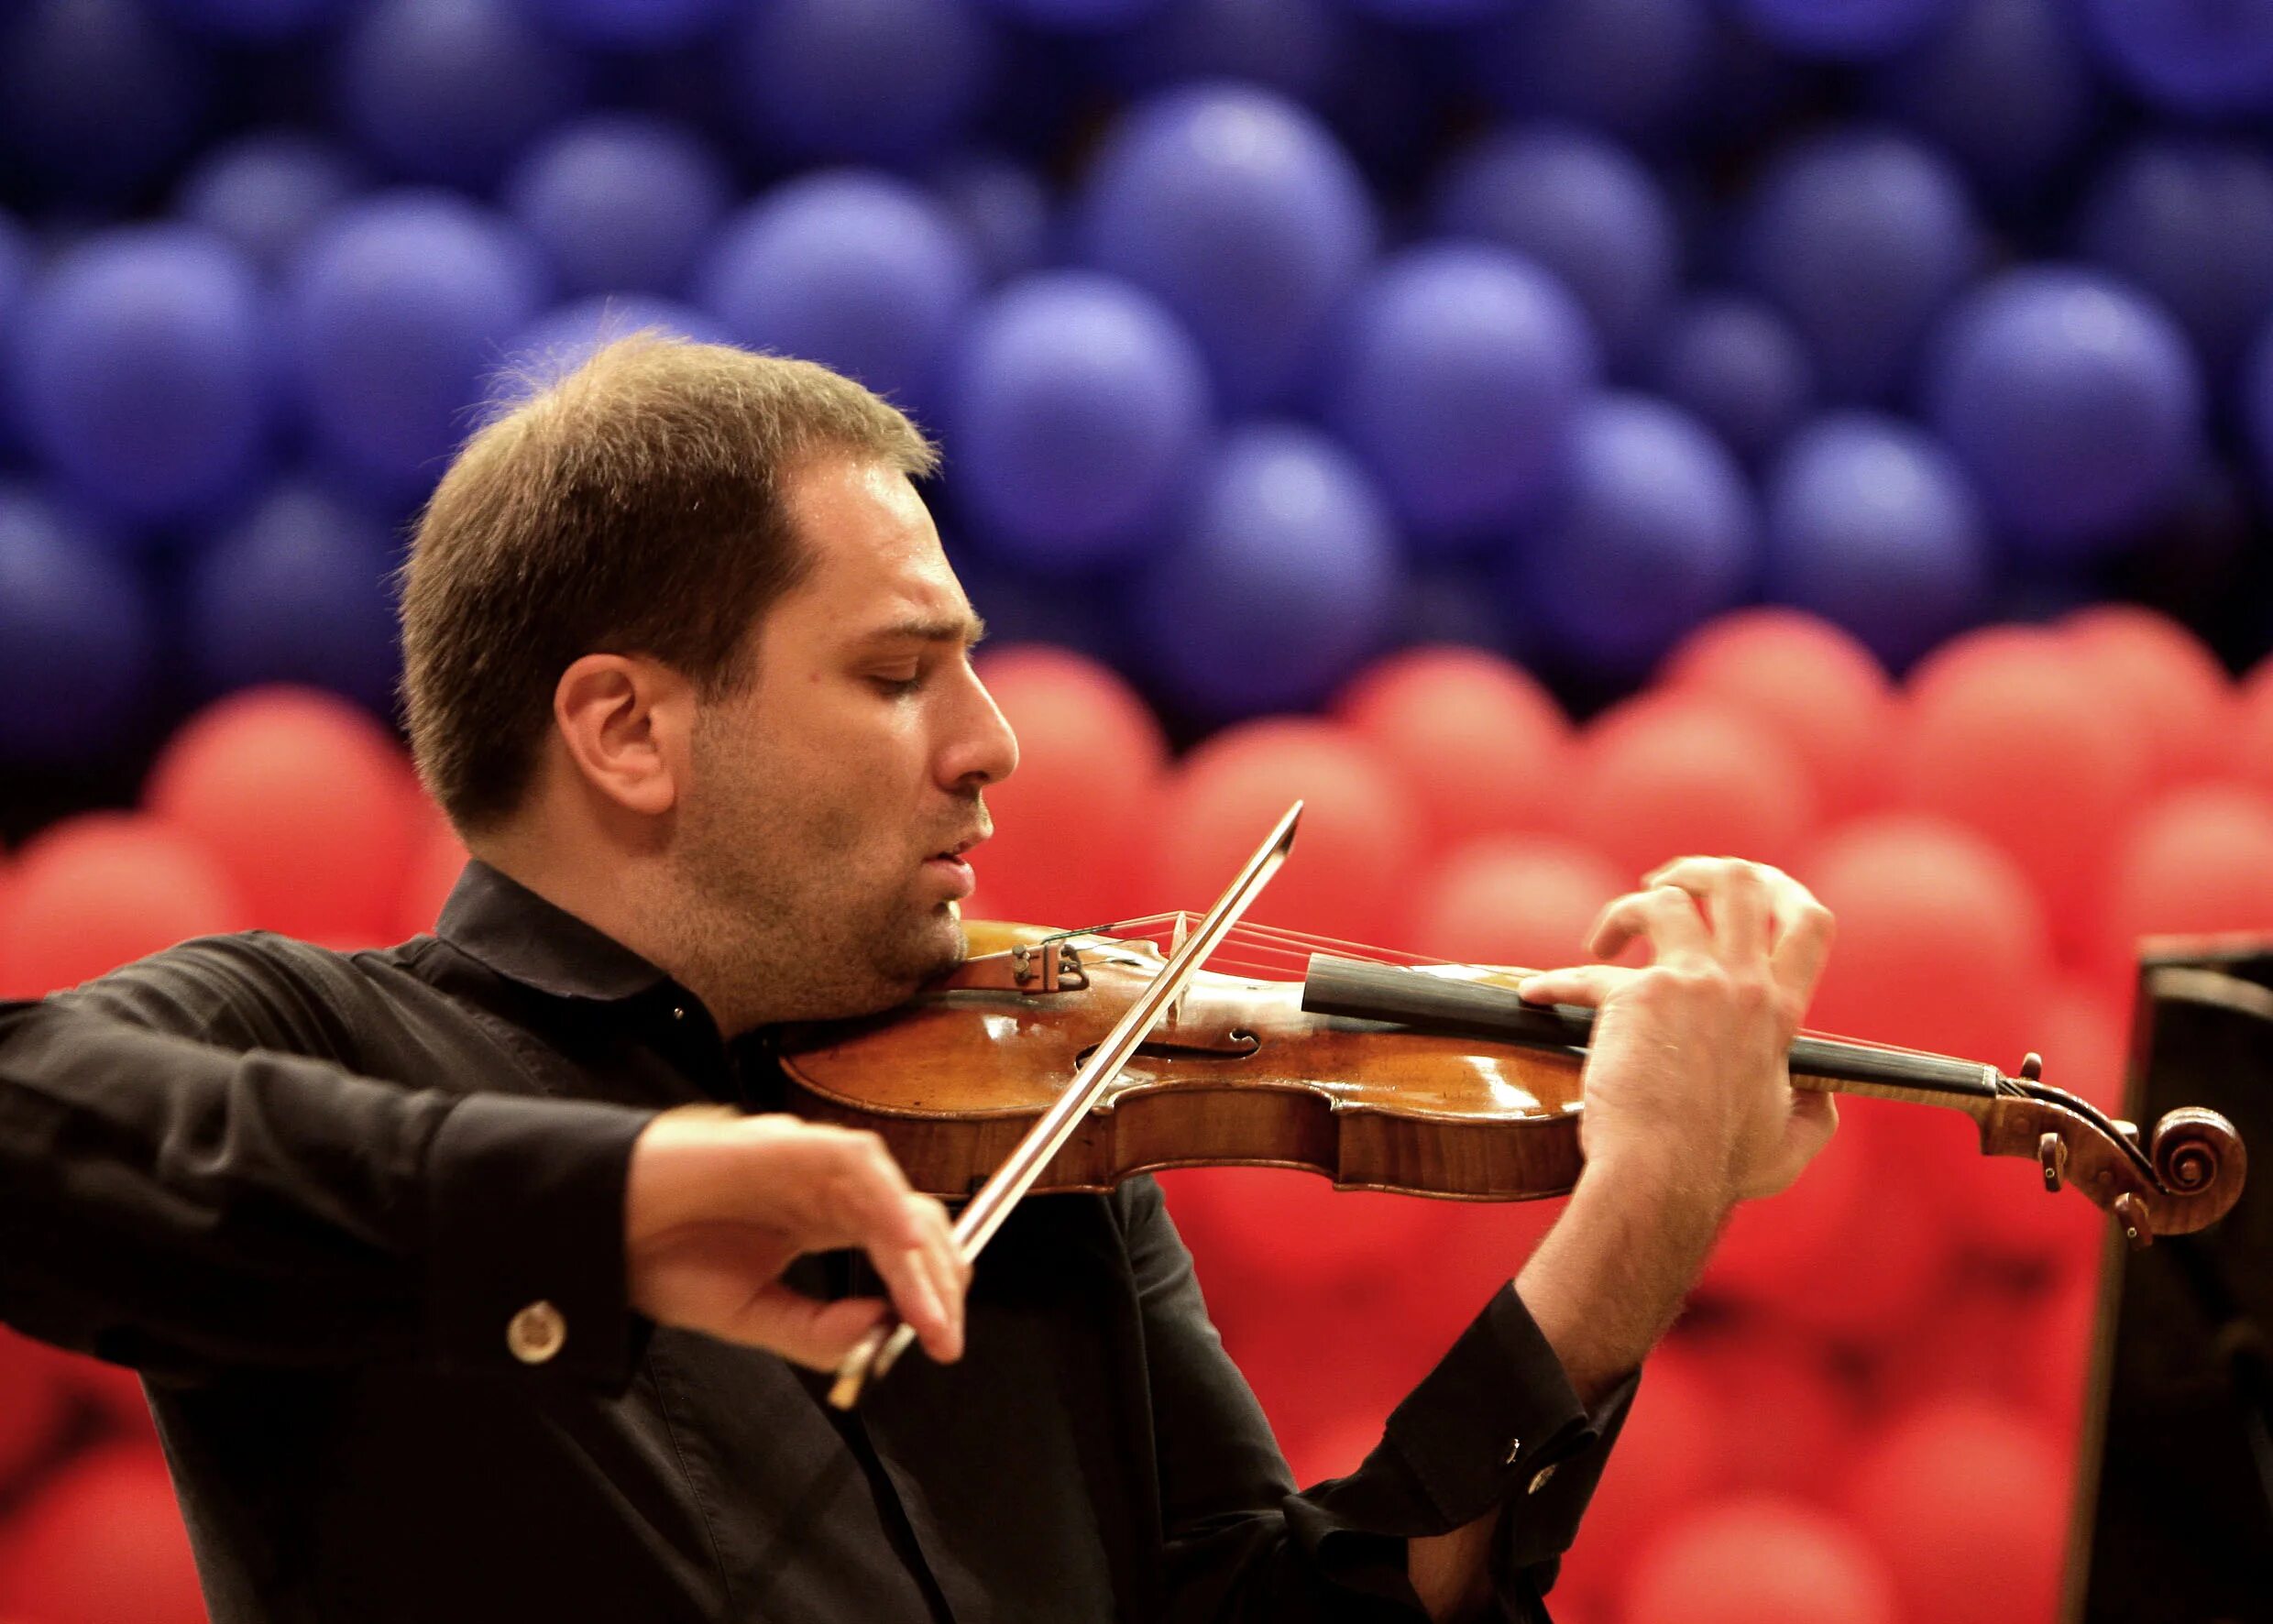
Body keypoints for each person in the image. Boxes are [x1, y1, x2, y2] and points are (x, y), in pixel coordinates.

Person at [0, 335, 1839, 1623]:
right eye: (897, 677)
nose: (991, 743)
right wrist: (607, 1205)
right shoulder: (329, 1041)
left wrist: (1628, 1232)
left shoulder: (1022, 1138)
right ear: (626, 731)